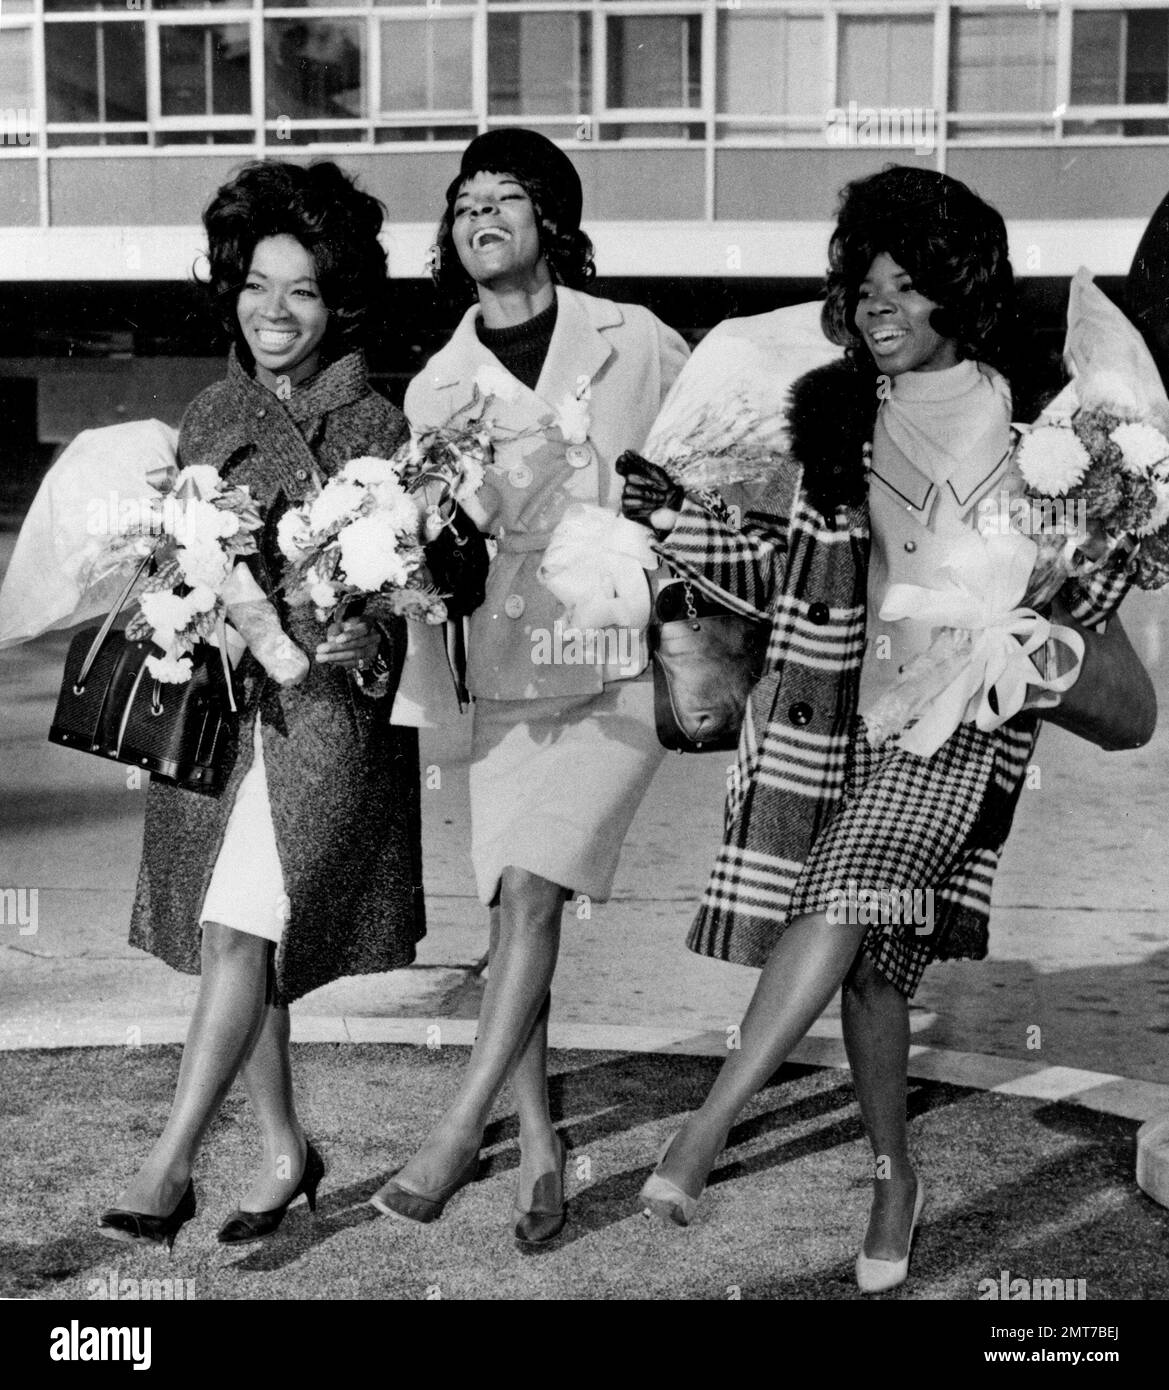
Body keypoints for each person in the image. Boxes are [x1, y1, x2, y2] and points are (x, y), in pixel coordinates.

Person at [623, 166, 1136, 1292]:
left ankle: (702, 1134)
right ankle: (894, 1174)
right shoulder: (834, 417)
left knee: (844, 892)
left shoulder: (1044, 424)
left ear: (956, 290)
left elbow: (1083, 598)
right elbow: (788, 574)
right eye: (863, 287)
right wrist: (678, 523)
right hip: (842, 724)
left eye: (904, 285)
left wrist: (1087, 571)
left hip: (961, 727)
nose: (878, 308)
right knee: (869, 970)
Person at [98, 159, 438, 1250]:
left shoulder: (379, 423)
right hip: (217, 716)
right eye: (254, 284)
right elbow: (177, 567)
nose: (272, 311)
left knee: (240, 928)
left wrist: (363, 635)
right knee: (241, 940)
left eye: (299, 290)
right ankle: (286, 1150)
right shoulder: (208, 412)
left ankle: (168, 1165)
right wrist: (173, 598)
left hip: (323, 724)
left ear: (340, 301)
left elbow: (402, 602)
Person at [370, 129, 688, 1245]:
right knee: (512, 902)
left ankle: (456, 1134)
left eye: (504, 198)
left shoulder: (636, 338)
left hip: (613, 663)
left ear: (549, 218)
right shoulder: (434, 387)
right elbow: (431, 547)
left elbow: (722, 454)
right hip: (503, 673)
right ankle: (541, 1134)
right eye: (463, 203)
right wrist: (432, 558)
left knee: (538, 890)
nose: (480, 216)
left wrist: (669, 514)